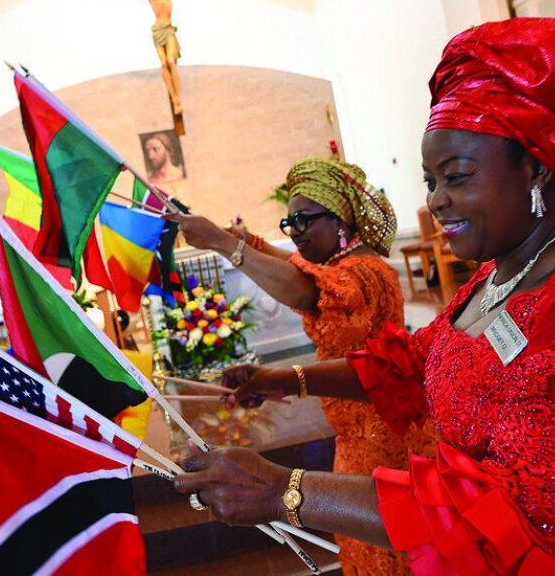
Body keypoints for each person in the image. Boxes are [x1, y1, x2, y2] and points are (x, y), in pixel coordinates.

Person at [169, 14, 555, 575]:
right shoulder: (503, 272)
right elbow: (415, 363)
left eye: (458, 175)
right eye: (430, 180)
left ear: (537, 169)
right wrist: (286, 379)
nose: (438, 200)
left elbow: (512, 512)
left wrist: (285, 490)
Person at [166, 157, 437, 576]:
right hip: (356, 429)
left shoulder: (366, 272)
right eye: (289, 224)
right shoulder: (341, 265)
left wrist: (224, 243)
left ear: (340, 218)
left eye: (304, 222)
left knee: (393, 548)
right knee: (366, 547)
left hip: (386, 434)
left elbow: (308, 290)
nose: (296, 235)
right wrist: (248, 243)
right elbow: (303, 270)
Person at [94, 0, 215, 115]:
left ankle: (179, 99)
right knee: (164, 64)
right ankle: (174, 99)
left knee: (171, 61)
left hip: (168, 30)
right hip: (157, 31)